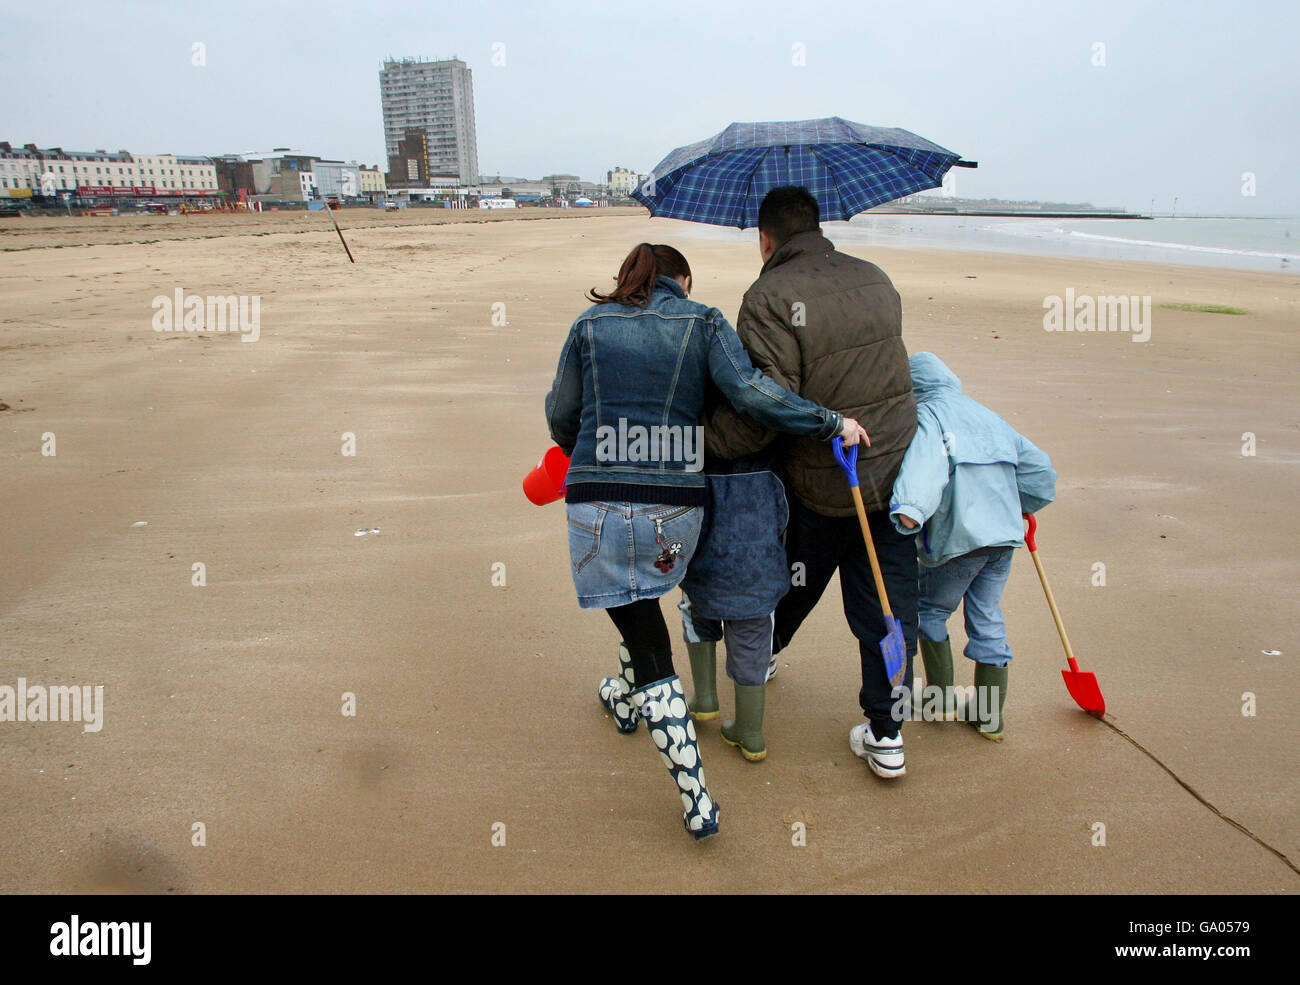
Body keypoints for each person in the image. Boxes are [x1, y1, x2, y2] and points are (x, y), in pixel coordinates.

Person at [545, 243, 867, 839]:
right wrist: (830, 421)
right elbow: (750, 395)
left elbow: (562, 415)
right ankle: (624, 698)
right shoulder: (702, 320)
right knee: (644, 597)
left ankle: (694, 792)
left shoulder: (588, 324)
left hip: (595, 507)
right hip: (676, 511)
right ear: (683, 280)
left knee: (644, 631)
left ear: (627, 281)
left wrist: (593, 452)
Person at [704, 186, 920, 779]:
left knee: (792, 574)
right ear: (819, 225)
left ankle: (765, 652)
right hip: (896, 474)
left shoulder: (768, 295)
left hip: (823, 481)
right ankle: (887, 733)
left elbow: (768, 405)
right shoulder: (875, 276)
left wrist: (700, 442)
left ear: (765, 239)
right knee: (888, 604)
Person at [888, 352, 1057, 740]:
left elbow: (924, 467)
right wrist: (1021, 506)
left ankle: (940, 700)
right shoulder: (989, 416)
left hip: (960, 541)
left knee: (929, 610)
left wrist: (908, 511)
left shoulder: (929, 416)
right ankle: (990, 718)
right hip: (1003, 539)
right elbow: (1040, 474)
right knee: (987, 616)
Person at [677, 445, 789, 763]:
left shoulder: (693, 442)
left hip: (702, 562)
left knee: (695, 612)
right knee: (753, 643)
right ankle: (750, 732)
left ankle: (705, 699)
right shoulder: (768, 446)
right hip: (758, 569)